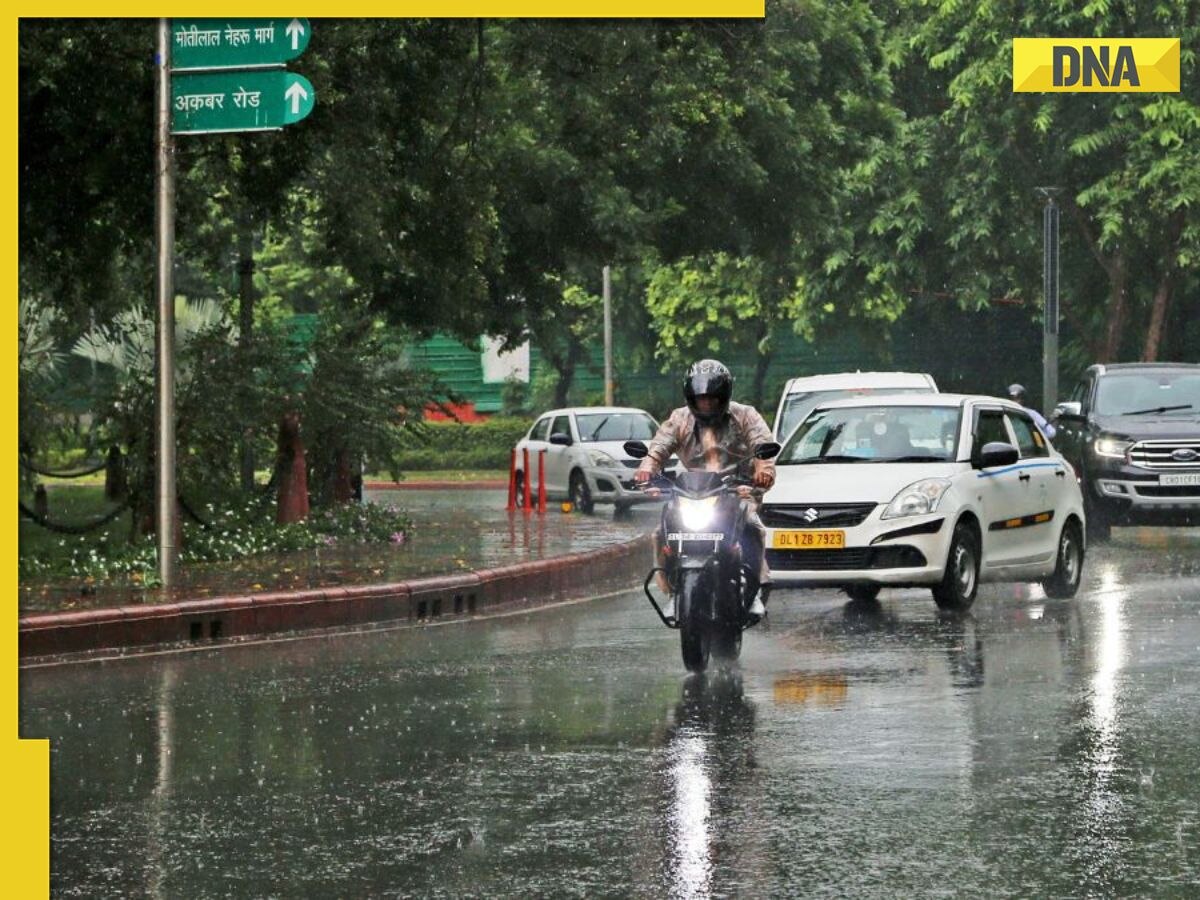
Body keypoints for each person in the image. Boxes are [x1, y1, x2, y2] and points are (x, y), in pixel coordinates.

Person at [634, 359, 776, 622]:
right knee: (660, 531)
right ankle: (673, 593)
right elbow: (659, 446)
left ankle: (755, 586)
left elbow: (762, 443)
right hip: (692, 492)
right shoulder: (679, 419)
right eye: (701, 399)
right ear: (691, 398)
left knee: (753, 527)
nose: (706, 404)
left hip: (738, 488)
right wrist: (647, 468)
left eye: (712, 399)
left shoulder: (745, 415)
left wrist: (764, 470)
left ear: (724, 396)